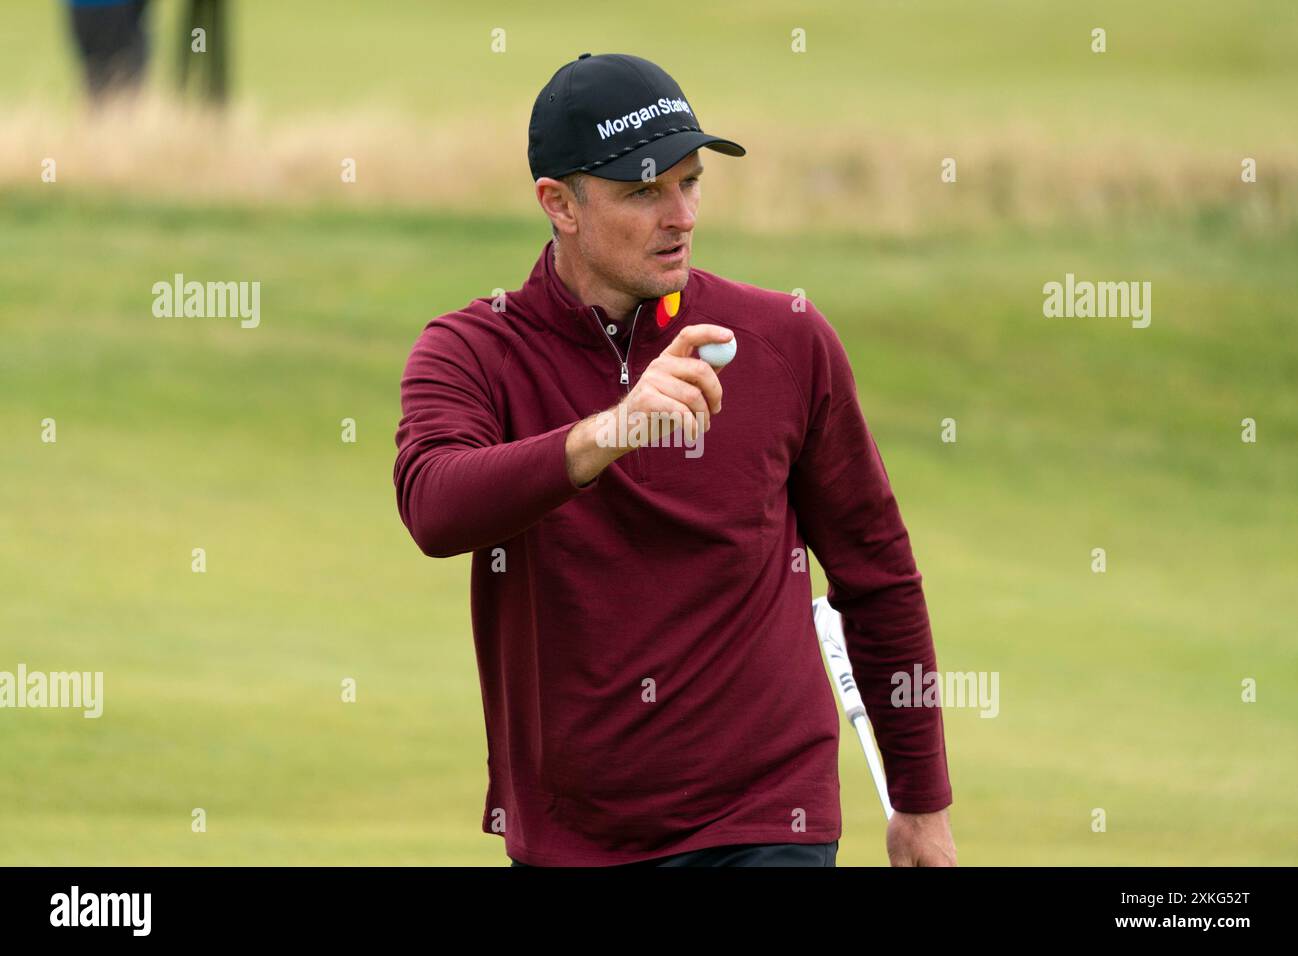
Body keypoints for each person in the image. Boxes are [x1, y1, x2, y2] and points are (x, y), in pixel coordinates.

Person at [393, 53, 957, 868]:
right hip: (572, 837)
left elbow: (878, 574)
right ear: (559, 204)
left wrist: (921, 803)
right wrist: (607, 433)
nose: (680, 215)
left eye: (690, 182)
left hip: (766, 822)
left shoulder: (786, 339)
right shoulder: (473, 350)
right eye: (643, 190)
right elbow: (435, 509)